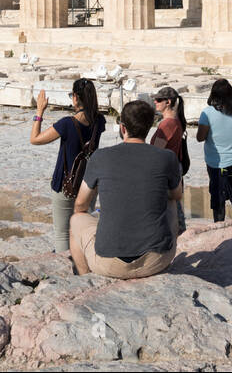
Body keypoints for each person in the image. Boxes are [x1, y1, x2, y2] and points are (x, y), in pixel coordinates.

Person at [69, 100, 182, 279]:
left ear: (123, 128)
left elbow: (80, 205)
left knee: (76, 219)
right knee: (171, 202)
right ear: (149, 127)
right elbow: (177, 194)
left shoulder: (101, 157)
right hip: (157, 261)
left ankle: (85, 278)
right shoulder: (166, 157)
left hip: (109, 263)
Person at [29, 78, 106, 252]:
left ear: (76, 97)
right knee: (84, 229)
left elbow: (35, 139)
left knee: (62, 233)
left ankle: (66, 270)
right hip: (88, 184)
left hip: (65, 184)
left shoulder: (66, 124)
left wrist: (39, 111)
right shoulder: (99, 121)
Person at [197, 78, 232, 221]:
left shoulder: (207, 113)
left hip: (215, 165)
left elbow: (200, 137)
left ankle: (219, 233)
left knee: (218, 204)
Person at [150, 86, 190, 233]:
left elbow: (156, 151)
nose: (155, 101)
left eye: (158, 99)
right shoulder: (177, 120)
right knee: (175, 207)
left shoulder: (167, 124)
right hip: (174, 168)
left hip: (164, 171)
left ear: (168, 102)